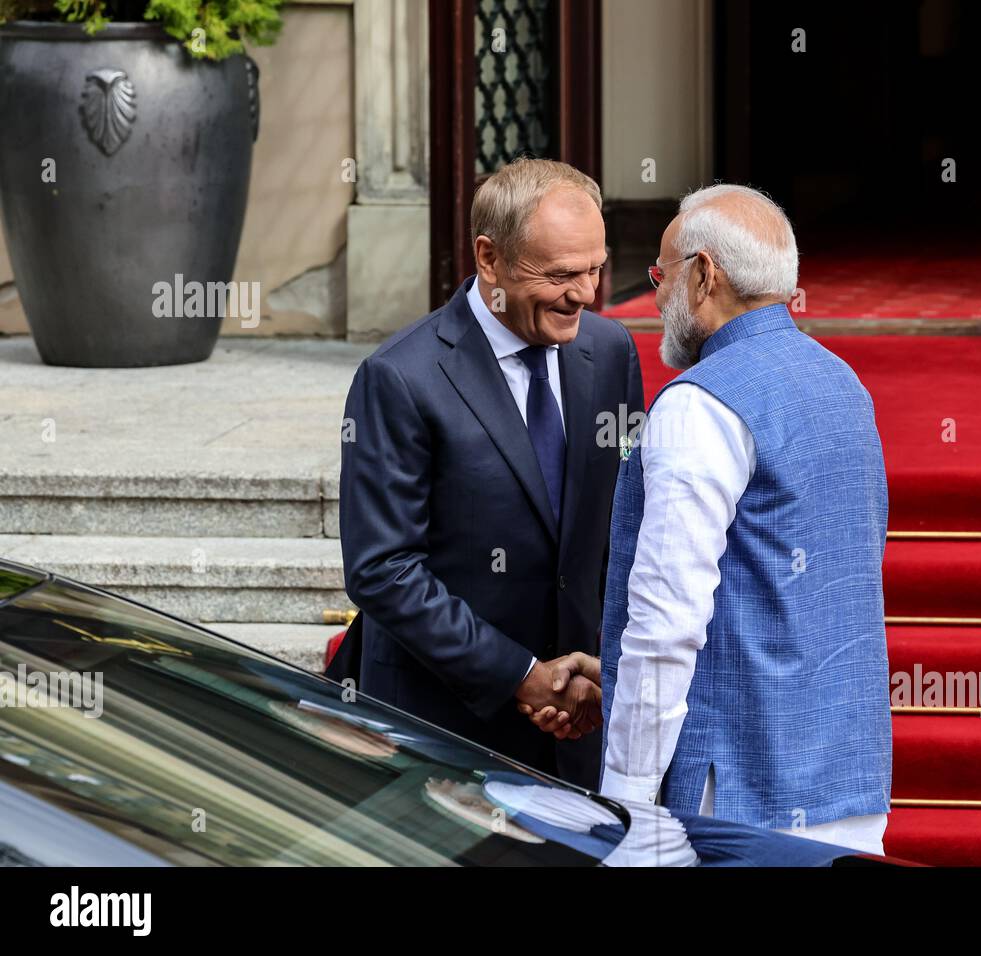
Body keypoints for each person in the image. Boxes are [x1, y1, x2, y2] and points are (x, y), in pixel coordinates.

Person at [526, 184, 892, 852]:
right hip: (851, 780)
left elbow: (666, 628)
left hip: (737, 800)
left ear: (703, 275)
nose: (660, 295)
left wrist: (627, 804)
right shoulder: (845, 383)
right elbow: (814, 588)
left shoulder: (697, 405)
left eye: (662, 276)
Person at [340, 158, 644, 788]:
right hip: (444, 733)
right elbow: (382, 569)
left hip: (578, 730)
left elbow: (622, 526)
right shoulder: (400, 377)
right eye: (560, 274)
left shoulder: (610, 352)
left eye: (595, 268)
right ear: (489, 258)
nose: (585, 294)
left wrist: (601, 671)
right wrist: (519, 674)